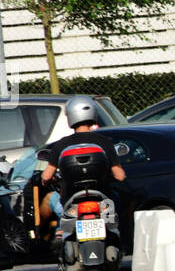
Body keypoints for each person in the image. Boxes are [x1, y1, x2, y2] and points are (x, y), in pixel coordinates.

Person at [39, 96, 126, 227]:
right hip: (102, 201)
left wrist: (49, 180)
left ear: (71, 116)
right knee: (117, 200)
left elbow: (46, 176)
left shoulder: (62, 144)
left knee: (51, 201)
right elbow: (120, 176)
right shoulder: (104, 142)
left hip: (71, 202)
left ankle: (54, 235)